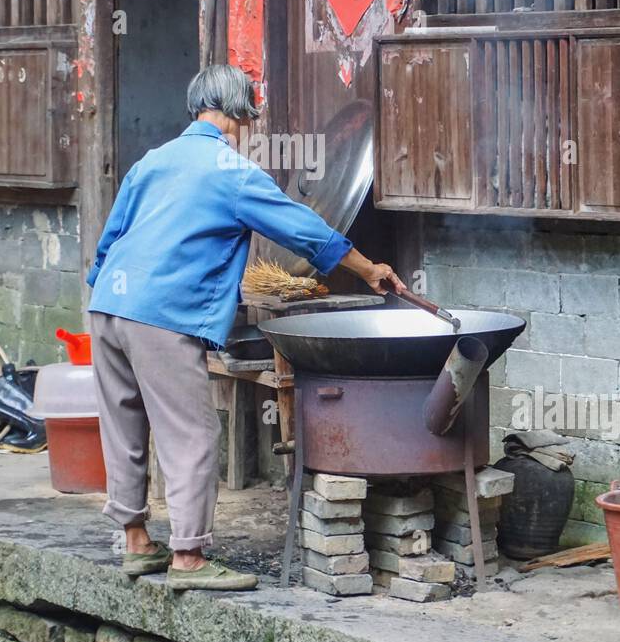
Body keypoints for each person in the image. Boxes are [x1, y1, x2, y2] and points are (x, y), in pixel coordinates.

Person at [87, 63, 405, 590]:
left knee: (123, 423)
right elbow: (303, 229)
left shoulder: (151, 162)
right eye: (249, 118)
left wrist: (109, 291)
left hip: (108, 305)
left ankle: (138, 543)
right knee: (193, 433)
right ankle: (188, 559)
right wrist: (368, 268)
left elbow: (109, 240)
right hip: (160, 315)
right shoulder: (230, 171)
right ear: (237, 115)